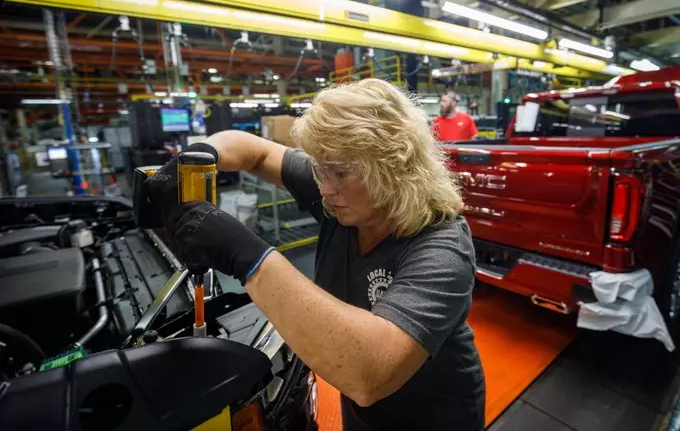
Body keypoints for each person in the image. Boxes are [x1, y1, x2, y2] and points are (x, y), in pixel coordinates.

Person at [146, 78, 486, 431]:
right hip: (362, 416)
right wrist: (200, 154)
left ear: (394, 168)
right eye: (321, 169)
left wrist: (245, 254)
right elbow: (254, 149)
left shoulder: (442, 248)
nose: (324, 188)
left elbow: (368, 373)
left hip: (435, 417)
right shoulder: (343, 197)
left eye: (339, 172)